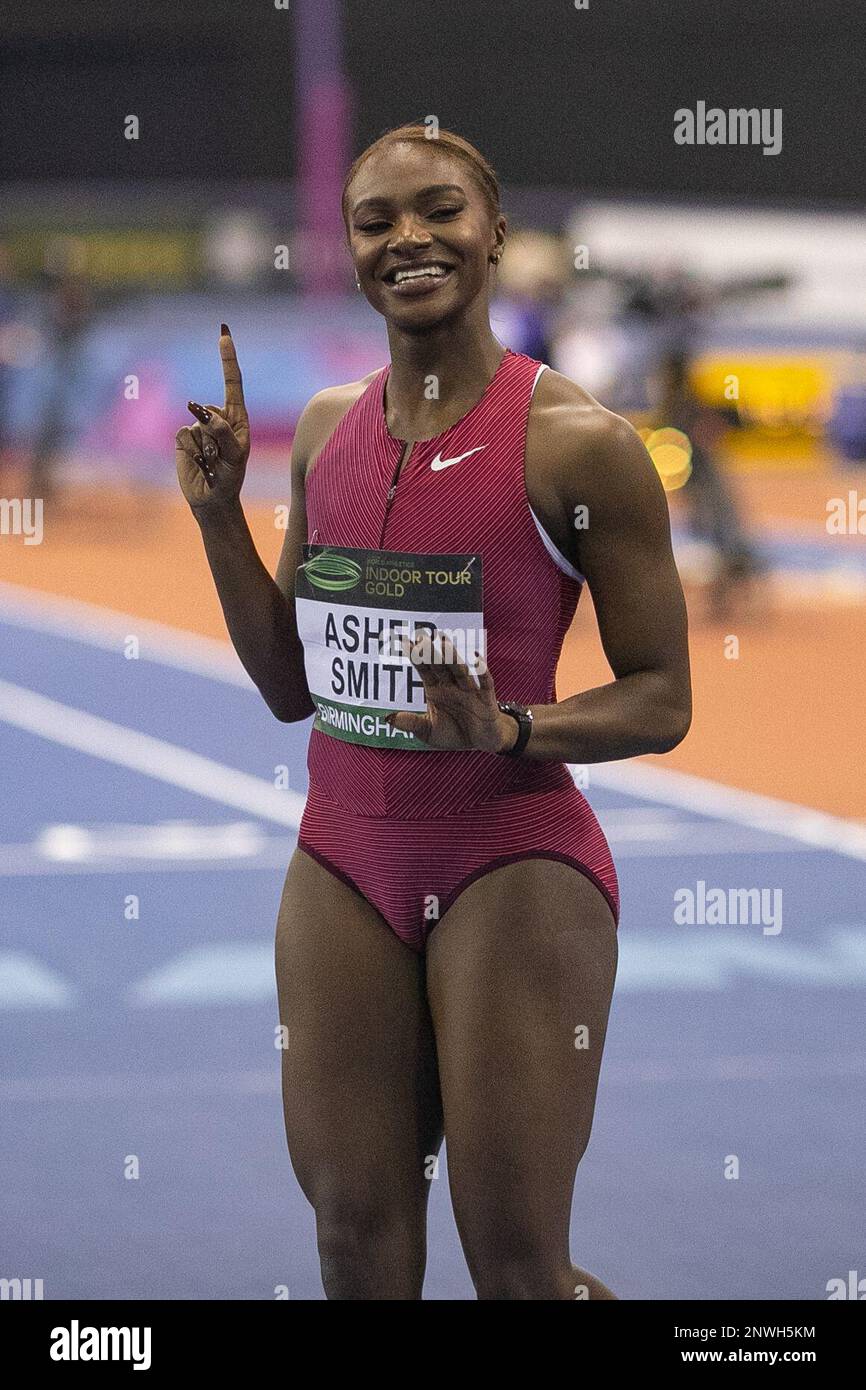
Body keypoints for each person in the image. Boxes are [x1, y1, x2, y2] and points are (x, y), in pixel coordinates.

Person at [175, 124, 692, 1301]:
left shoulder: (581, 446)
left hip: (508, 857)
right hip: (343, 856)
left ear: (495, 231)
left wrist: (506, 728)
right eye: (375, 221)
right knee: (355, 1247)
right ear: (350, 252)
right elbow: (287, 689)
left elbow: (663, 696)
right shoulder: (320, 432)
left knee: (517, 1272)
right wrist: (218, 518)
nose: (408, 237)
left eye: (440, 209)